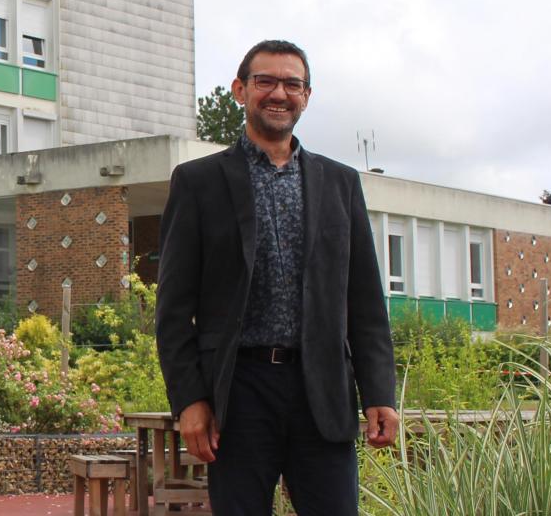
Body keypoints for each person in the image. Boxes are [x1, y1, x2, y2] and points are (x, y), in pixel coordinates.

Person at [155, 40, 399, 515]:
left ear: (307, 96)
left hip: (322, 392)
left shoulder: (340, 184)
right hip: (238, 393)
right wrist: (189, 400)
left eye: (292, 84)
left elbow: (366, 301)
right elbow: (173, 310)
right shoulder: (198, 182)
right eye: (265, 81)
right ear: (240, 90)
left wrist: (379, 394)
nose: (279, 93)